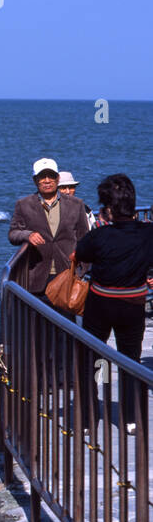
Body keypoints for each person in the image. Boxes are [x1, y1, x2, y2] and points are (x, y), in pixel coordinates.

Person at [74, 174, 153, 430]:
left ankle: (88, 417)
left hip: (101, 304)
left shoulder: (99, 236)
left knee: (93, 359)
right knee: (131, 358)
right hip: (133, 304)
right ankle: (130, 418)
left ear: (106, 209)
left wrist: (100, 224)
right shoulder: (148, 233)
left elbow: (81, 253)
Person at [8, 157, 91, 301]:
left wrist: (81, 271)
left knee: (64, 321)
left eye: (51, 176)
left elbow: (85, 239)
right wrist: (28, 235)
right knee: (35, 321)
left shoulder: (76, 204)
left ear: (58, 179)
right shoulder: (23, 204)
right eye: (42, 177)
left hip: (66, 275)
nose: (47, 180)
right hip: (35, 277)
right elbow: (13, 234)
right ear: (35, 180)